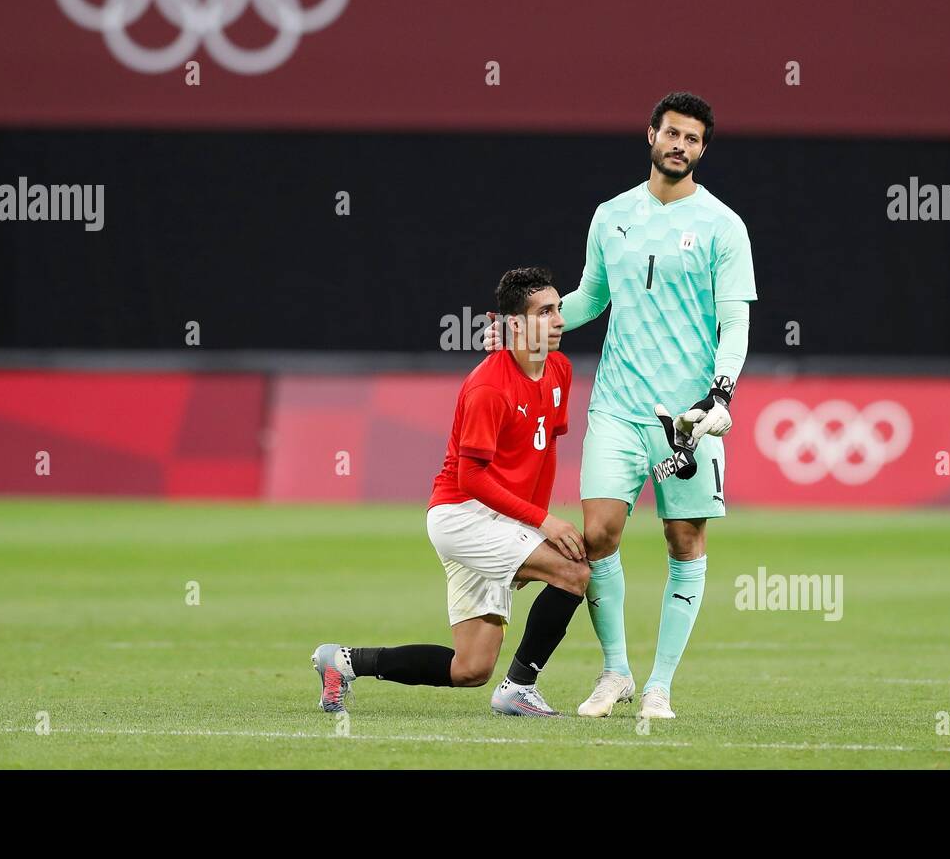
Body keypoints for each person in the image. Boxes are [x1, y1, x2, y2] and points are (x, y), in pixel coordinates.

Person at [484, 92, 757, 719]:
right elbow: (591, 297)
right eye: (672, 134)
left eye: (693, 139)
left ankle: (659, 686)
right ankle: (617, 674)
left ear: (702, 150)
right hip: (618, 407)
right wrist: (536, 322)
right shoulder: (611, 216)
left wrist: (721, 392)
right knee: (599, 537)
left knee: (684, 542)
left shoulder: (724, 226)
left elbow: (733, 323)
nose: (680, 146)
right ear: (651, 135)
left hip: (689, 417)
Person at [313, 267, 589, 716]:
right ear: (515, 325)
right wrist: (542, 522)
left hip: (503, 517)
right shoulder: (488, 387)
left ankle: (341, 662)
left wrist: (528, 526)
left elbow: (548, 449)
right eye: (547, 312)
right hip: (463, 516)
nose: (559, 320)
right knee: (574, 572)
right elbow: (471, 478)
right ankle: (520, 687)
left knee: (470, 668)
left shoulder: (560, 369)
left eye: (558, 309)